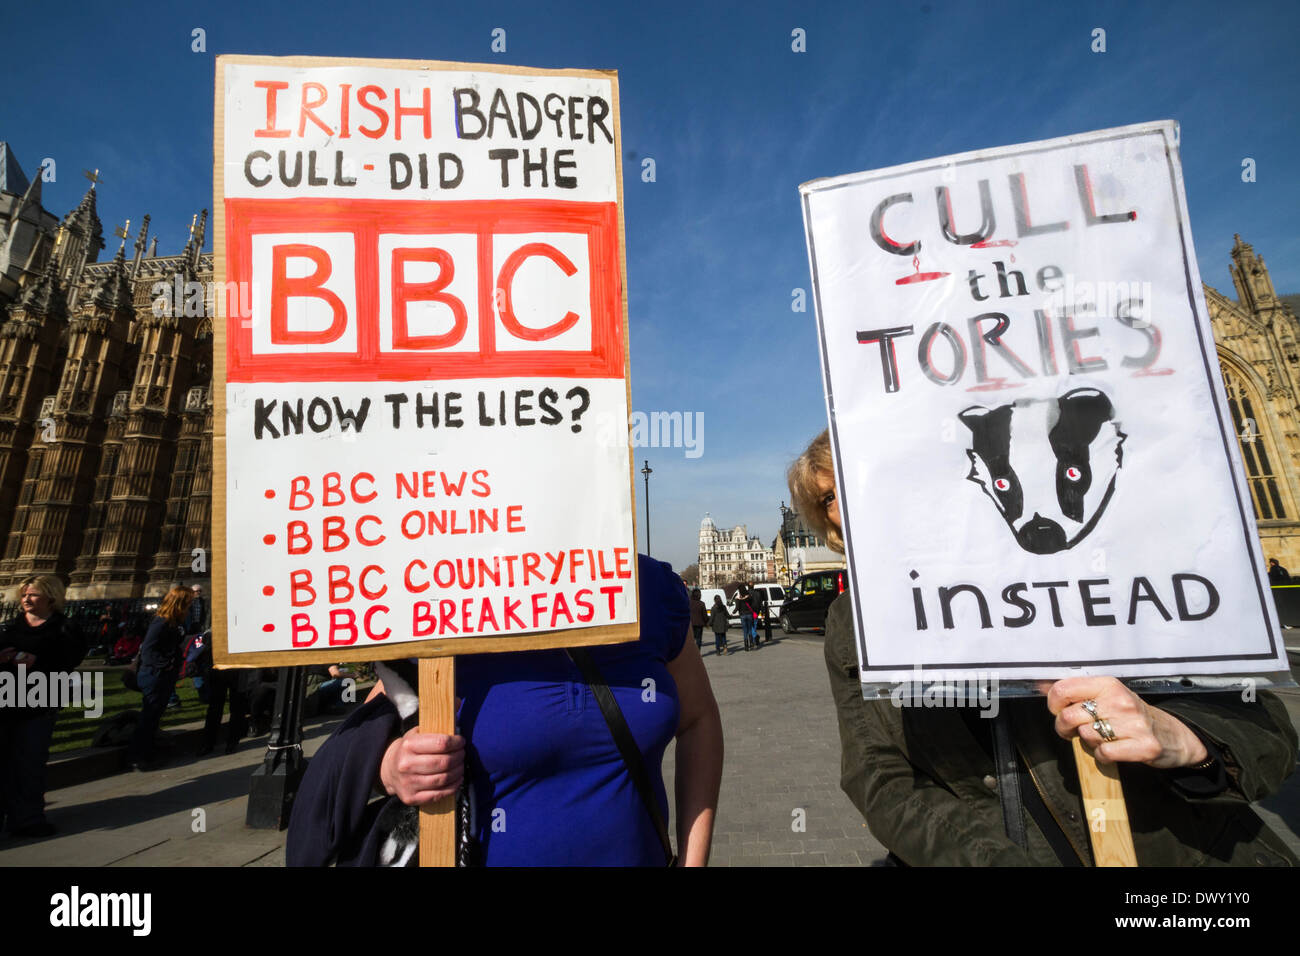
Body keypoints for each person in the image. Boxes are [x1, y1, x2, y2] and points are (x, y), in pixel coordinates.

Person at [789, 427, 1299, 866]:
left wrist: (1188, 743)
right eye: (829, 497)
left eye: (862, 479)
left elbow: (1266, 729)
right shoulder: (852, 621)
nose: (849, 503)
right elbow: (876, 774)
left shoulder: (1079, 563)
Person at [287, 554, 724, 866]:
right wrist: (390, 766)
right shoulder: (445, 595)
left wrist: (692, 859)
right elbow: (373, 726)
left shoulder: (649, 586)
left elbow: (699, 718)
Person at [0, 576, 86, 838]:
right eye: (24, 594)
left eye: (33, 595)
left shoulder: (64, 629)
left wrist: (36, 662)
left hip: (40, 703)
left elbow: (68, 662)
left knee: (31, 763)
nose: (26, 599)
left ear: (51, 597)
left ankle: (27, 819)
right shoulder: (10, 628)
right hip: (6, 701)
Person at [126, 585, 194, 771]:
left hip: (164, 675)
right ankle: (139, 757)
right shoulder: (161, 622)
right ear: (180, 602)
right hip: (154, 675)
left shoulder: (175, 621)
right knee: (149, 716)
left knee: (154, 716)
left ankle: (147, 752)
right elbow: (148, 649)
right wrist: (166, 664)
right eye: (189, 601)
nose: (191, 605)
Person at [734, 584, 759, 651]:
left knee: (745, 631)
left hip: (742, 615)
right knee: (750, 630)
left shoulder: (738, 599)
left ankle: (746, 646)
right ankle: (751, 644)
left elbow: (737, 608)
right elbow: (753, 605)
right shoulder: (749, 597)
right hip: (749, 615)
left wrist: (733, 612)